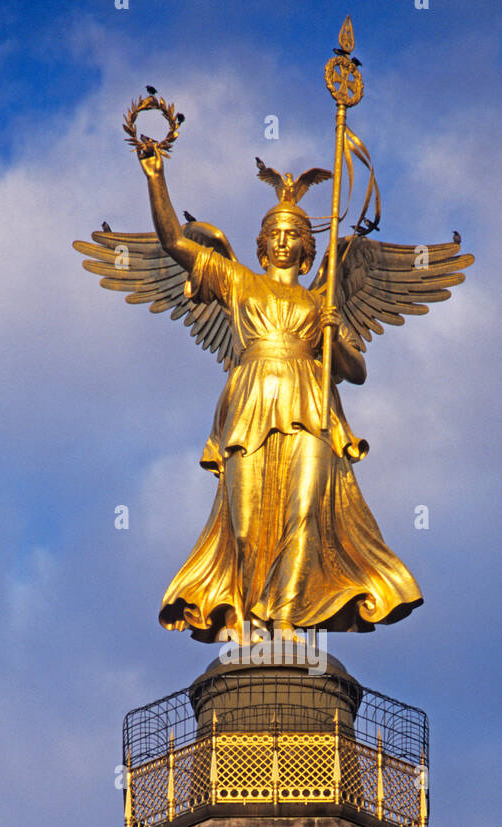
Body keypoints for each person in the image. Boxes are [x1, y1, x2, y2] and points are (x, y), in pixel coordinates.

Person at [138, 144, 423, 643]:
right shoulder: (237, 282)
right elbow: (172, 243)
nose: (286, 241)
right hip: (250, 403)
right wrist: (156, 177)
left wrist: (334, 332)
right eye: (277, 234)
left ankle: (287, 617)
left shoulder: (322, 300)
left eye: (294, 235)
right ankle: (246, 621)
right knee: (244, 522)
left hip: (311, 406)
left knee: (306, 510)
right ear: (262, 243)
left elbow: (355, 372)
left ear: (307, 246)